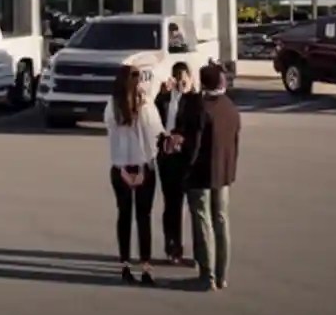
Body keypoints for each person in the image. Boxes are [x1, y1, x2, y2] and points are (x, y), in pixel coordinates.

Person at [177, 63, 242, 291]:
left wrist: (184, 168)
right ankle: (222, 275)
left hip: (200, 175)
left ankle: (207, 275)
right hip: (223, 174)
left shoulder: (200, 107)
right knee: (221, 221)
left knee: (202, 220)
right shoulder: (230, 107)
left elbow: (192, 145)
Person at [104, 64, 166, 286]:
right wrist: (142, 167)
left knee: (124, 216)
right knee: (144, 217)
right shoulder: (146, 105)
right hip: (143, 168)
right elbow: (154, 135)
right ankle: (146, 267)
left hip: (119, 168)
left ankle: (125, 265)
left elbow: (112, 137)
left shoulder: (112, 106)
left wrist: (122, 168)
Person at [153, 62, 196, 266]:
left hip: (183, 157)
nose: (180, 81)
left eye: (183, 77)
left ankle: (186, 249)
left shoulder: (193, 101)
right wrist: (161, 95)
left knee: (185, 204)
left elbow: (195, 128)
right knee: (170, 203)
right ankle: (171, 246)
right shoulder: (164, 99)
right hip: (166, 156)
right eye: (176, 77)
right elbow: (154, 119)